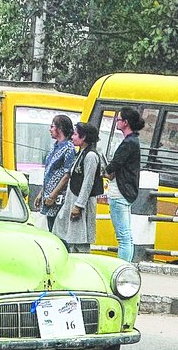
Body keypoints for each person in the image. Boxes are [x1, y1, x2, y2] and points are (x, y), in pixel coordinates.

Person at [53, 123, 102, 253]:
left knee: (80, 240)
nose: (72, 137)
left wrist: (79, 205)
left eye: (75, 134)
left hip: (82, 203)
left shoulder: (91, 156)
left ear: (84, 137)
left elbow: (88, 183)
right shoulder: (81, 153)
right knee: (69, 235)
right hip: (72, 198)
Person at [105, 107, 145, 262]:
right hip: (126, 192)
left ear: (126, 123)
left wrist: (106, 170)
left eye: (119, 119)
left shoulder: (128, 143)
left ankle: (122, 267)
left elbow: (113, 165)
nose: (117, 121)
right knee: (126, 235)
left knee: (123, 237)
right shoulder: (133, 141)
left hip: (119, 191)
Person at [34, 115, 75, 231]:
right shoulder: (54, 147)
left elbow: (67, 175)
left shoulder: (69, 148)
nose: (50, 129)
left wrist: (53, 195)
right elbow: (49, 173)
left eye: (52, 127)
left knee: (57, 228)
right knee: (50, 225)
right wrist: (42, 193)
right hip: (48, 195)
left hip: (58, 197)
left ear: (60, 128)